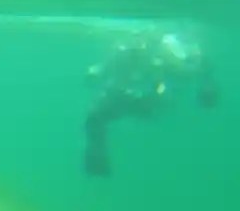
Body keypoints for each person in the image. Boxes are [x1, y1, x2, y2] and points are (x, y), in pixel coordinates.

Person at [83, 25, 218, 177]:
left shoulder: (168, 52)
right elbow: (105, 69)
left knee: (96, 116)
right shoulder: (124, 49)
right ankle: (97, 161)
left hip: (150, 101)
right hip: (131, 97)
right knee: (94, 117)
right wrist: (97, 73)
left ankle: (98, 160)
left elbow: (189, 70)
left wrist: (206, 84)